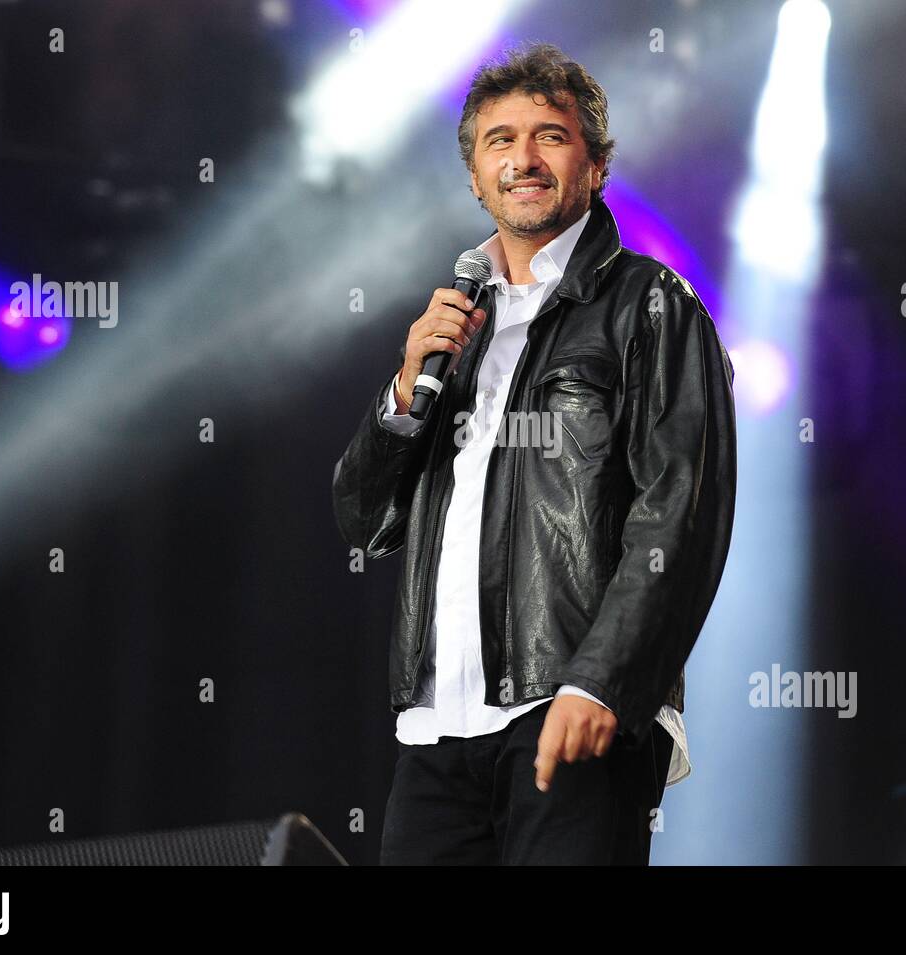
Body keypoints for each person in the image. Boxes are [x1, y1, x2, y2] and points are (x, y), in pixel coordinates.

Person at [331, 42, 737, 865]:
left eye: (550, 136)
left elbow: (680, 517)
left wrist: (605, 682)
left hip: (569, 710)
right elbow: (363, 520)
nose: (523, 158)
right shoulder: (452, 328)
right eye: (499, 140)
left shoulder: (650, 307)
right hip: (435, 725)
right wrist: (406, 393)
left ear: (595, 165)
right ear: (476, 175)